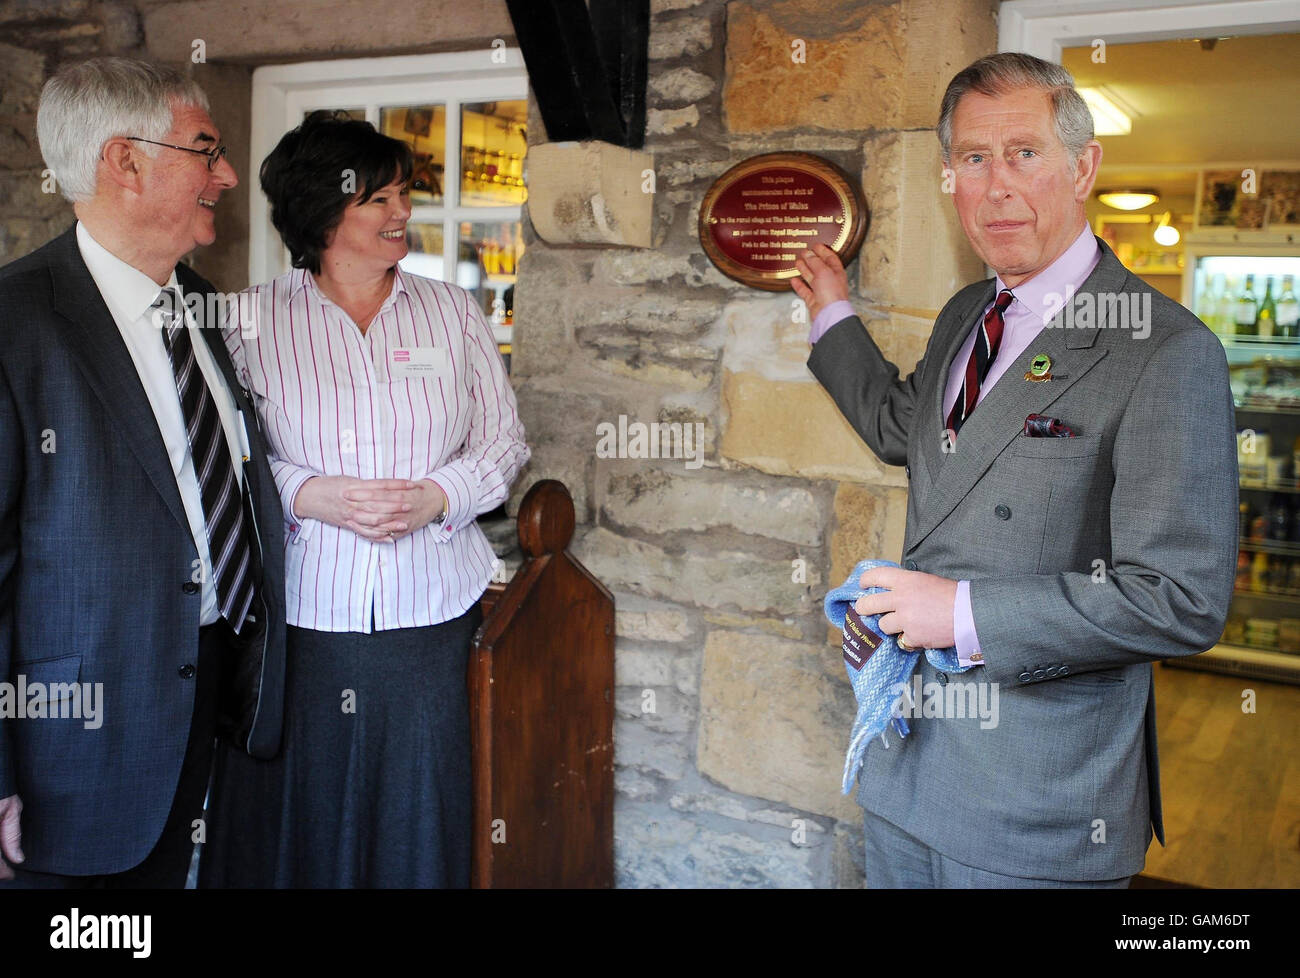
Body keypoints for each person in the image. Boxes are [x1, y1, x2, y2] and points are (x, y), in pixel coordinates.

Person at [793, 52, 1237, 888]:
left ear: (1083, 167)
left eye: (1024, 153)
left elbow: (1179, 601)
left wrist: (958, 612)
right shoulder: (969, 312)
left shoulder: (1168, 351)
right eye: (971, 159)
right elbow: (904, 428)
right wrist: (831, 313)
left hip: (1040, 804)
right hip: (904, 763)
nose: (997, 187)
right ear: (949, 177)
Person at [199, 111, 529, 888]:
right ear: (322, 212)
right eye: (378, 199)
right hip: (302, 620)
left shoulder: (450, 312)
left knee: (418, 811)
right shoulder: (247, 321)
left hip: (432, 619)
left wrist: (438, 496)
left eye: (403, 195)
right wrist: (310, 494)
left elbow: (504, 443)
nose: (402, 213)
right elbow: (224, 459)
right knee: (301, 816)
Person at [0, 57, 287, 887]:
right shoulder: (16, 324)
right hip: (72, 749)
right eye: (206, 149)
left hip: (210, 709)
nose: (227, 175)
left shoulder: (201, 306)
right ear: (125, 161)